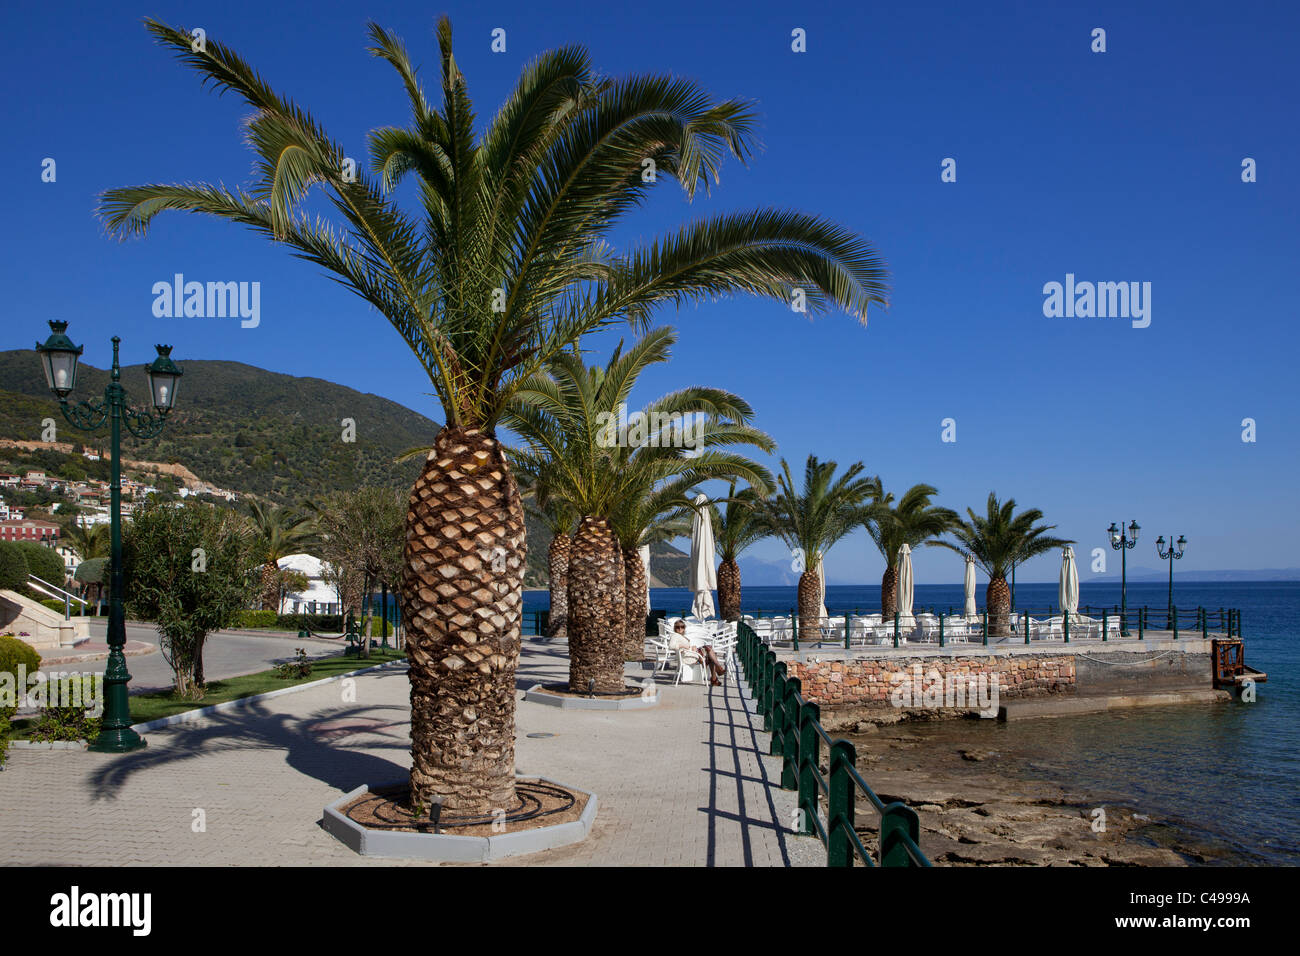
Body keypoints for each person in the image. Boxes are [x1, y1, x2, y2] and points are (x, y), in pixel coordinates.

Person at [667, 619, 725, 685]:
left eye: (682, 627)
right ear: (675, 628)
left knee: (710, 654)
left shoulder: (681, 636)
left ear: (684, 628)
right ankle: (718, 669)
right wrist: (685, 646)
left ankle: (714, 678)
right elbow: (671, 646)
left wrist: (692, 648)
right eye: (678, 627)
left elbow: (686, 648)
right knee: (709, 649)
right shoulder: (675, 635)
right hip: (688, 658)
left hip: (691, 655)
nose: (680, 628)